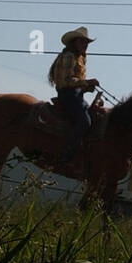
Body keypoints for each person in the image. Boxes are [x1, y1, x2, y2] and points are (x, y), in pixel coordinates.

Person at [48, 27, 98, 166]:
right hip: (68, 95)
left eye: (86, 42)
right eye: (83, 42)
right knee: (84, 122)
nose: (85, 45)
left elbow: (75, 82)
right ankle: (67, 154)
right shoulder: (69, 56)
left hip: (75, 95)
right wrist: (86, 82)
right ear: (74, 42)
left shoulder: (79, 58)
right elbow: (67, 80)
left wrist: (86, 87)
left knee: (94, 117)